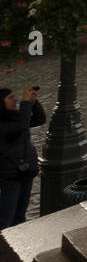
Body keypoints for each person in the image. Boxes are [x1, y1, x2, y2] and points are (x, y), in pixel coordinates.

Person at [0, 86, 46, 228]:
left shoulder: (16, 117)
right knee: (6, 218)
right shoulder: (3, 124)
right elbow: (22, 126)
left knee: (20, 215)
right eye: (10, 98)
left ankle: (14, 246)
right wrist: (25, 103)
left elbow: (39, 119)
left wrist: (33, 103)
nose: (15, 100)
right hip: (10, 176)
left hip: (26, 171)